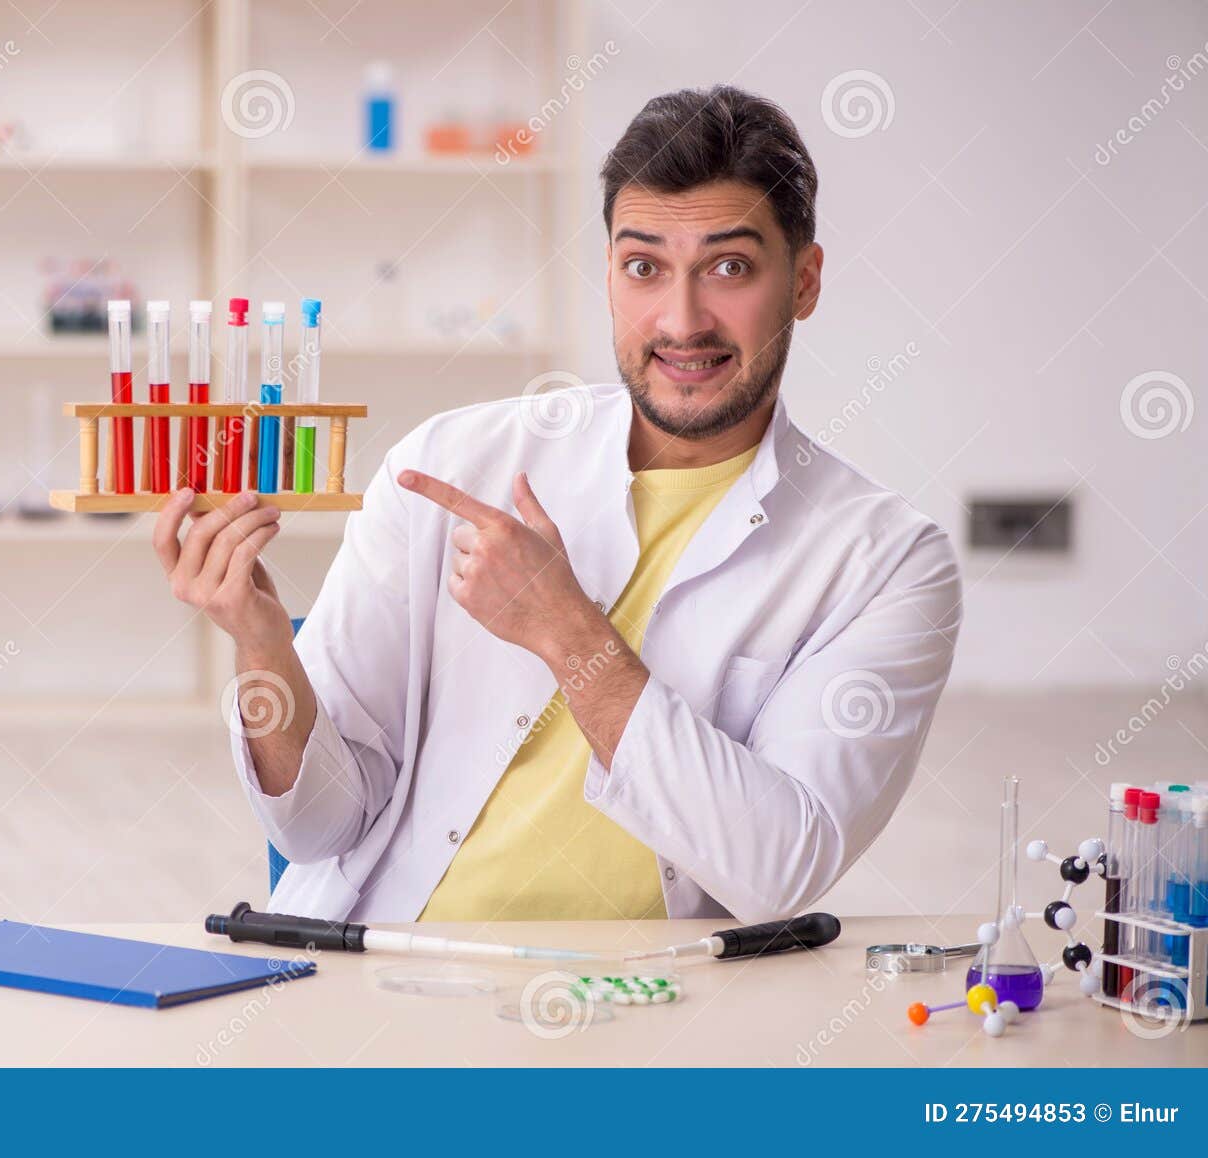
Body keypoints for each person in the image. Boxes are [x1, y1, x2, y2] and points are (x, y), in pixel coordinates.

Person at [152, 85, 962, 924]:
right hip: (393, 961)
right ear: (608, 275)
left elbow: (778, 869)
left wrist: (568, 634)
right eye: (644, 267)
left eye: (729, 268)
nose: (682, 321)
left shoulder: (886, 560)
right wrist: (261, 645)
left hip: (657, 989)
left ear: (804, 281)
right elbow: (321, 826)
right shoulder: (447, 465)